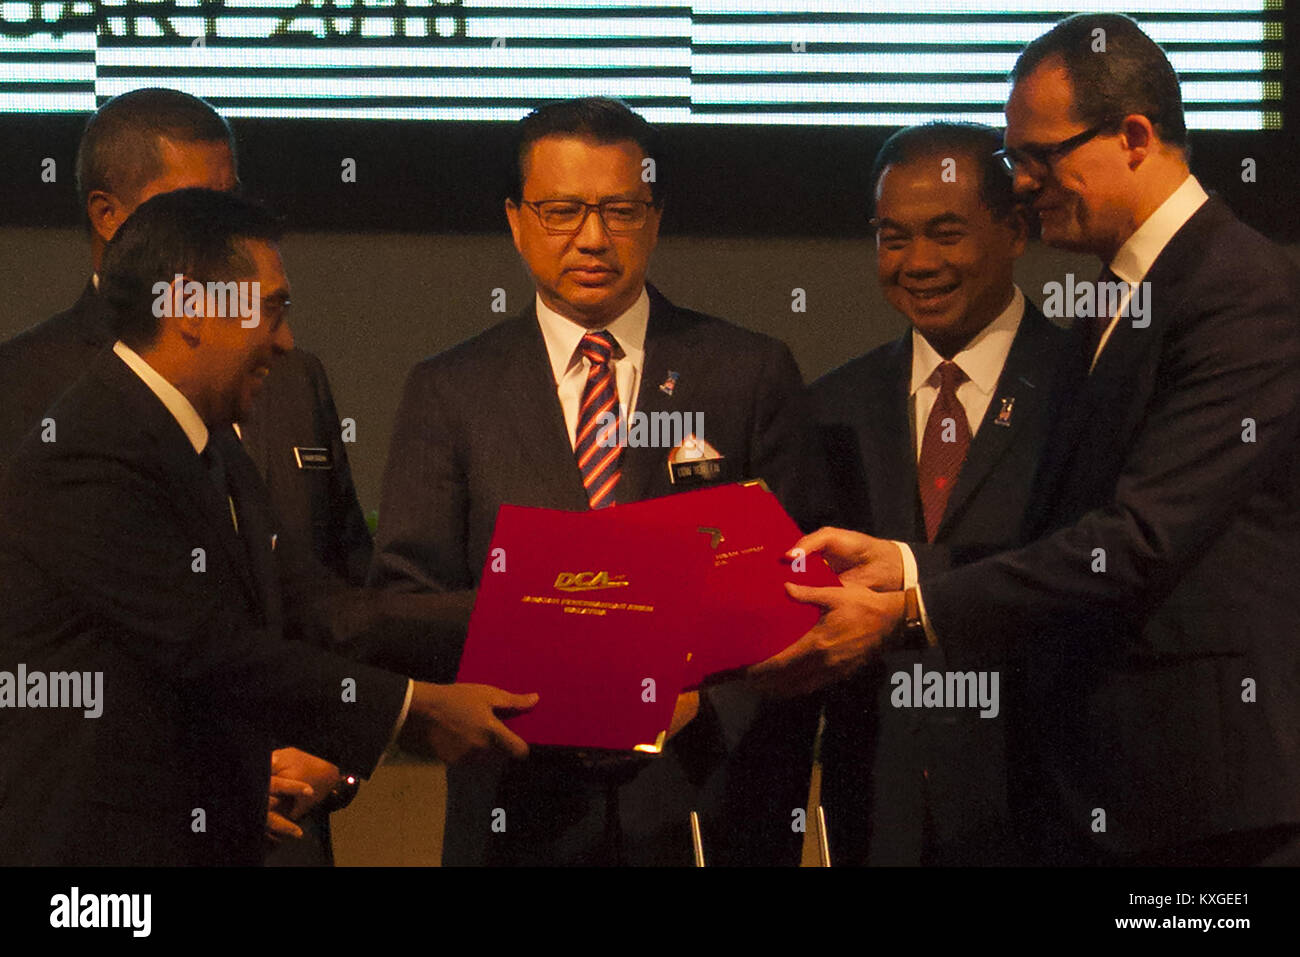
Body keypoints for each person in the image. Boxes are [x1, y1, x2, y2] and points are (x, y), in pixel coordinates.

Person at [756, 13, 1300, 866]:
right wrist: (907, 565)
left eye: (1040, 157)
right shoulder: (1118, 302)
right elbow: (1063, 537)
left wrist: (912, 606)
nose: (1023, 183)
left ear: (1133, 135)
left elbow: (1137, 540)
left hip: (1208, 803)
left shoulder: (1240, 287)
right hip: (1123, 797)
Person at [0, 188, 536, 866]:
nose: (284, 342)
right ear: (193, 307)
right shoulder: (91, 448)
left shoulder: (210, 445)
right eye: (272, 308)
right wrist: (415, 707)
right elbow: (210, 649)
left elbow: (325, 610)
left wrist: (529, 612)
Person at [370, 96, 823, 866]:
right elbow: (406, 599)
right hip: (517, 802)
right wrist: (538, 655)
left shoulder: (748, 371)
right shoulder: (450, 388)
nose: (592, 237)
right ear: (515, 219)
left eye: (620, 209)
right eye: (560, 210)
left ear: (655, 216)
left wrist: (704, 706)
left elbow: (805, 592)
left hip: (703, 801)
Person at [813, 122, 1067, 866]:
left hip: (1048, 798)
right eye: (894, 238)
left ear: (1017, 230)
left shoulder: (1088, 388)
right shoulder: (828, 407)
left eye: (946, 233)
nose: (918, 263)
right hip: (876, 808)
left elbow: (1092, 572)